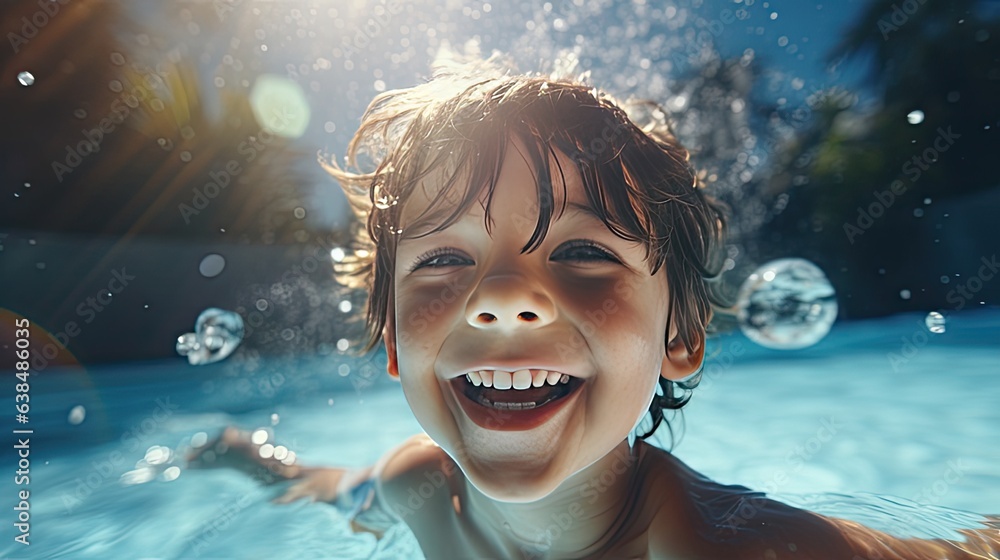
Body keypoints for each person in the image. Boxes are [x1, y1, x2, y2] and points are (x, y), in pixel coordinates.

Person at [190, 58, 999, 559]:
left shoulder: (721, 550)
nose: (503, 300)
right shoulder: (417, 486)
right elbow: (340, 489)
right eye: (443, 259)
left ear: (681, 337)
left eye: (583, 253)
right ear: (396, 346)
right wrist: (258, 466)